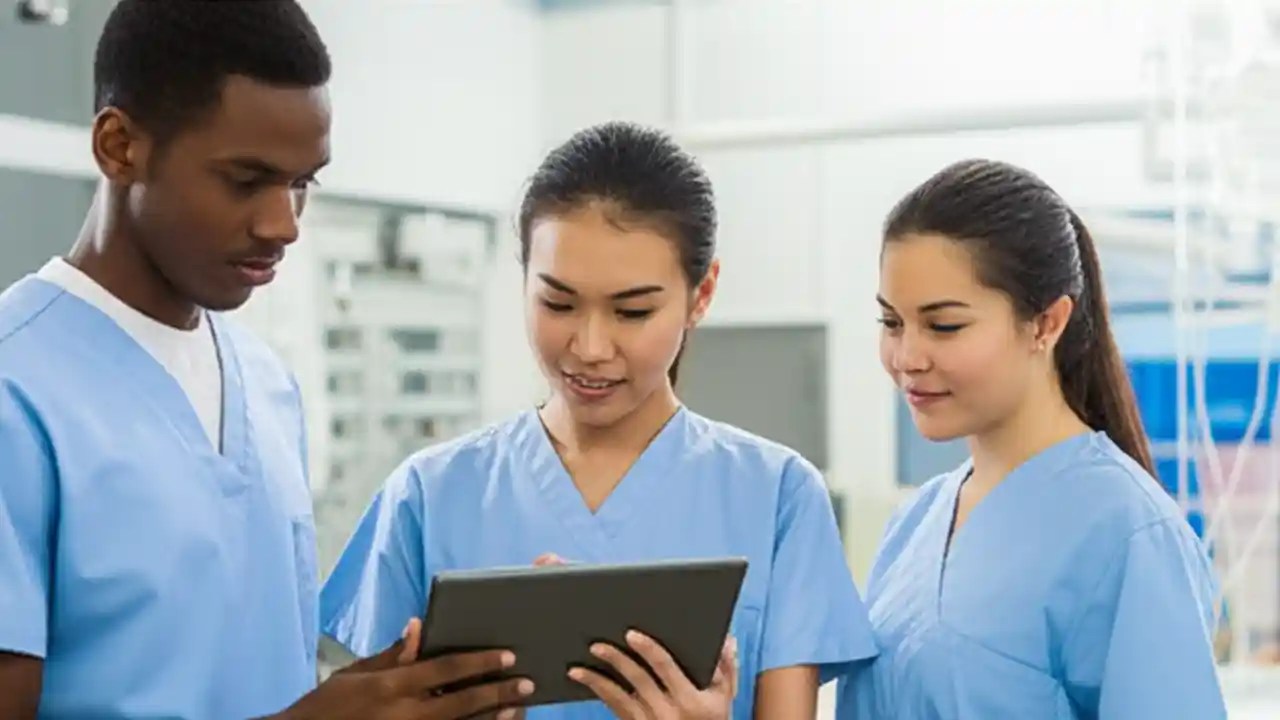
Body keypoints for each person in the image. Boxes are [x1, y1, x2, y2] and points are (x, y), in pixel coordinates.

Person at [0, 2, 531, 718]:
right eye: (245, 180)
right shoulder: (17, 390)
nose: (283, 224)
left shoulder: (267, 383)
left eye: (302, 183)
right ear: (120, 147)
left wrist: (399, 696)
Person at [319, 120, 879, 719]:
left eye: (632, 311)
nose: (589, 346)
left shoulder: (779, 497)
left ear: (702, 293)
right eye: (557, 302)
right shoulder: (429, 495)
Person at [836, 159, 1226, 719]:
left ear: (1046, 324)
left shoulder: (1126, 531)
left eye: (944, 326)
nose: (907, 358)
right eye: (892, 323)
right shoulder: (915, 523)